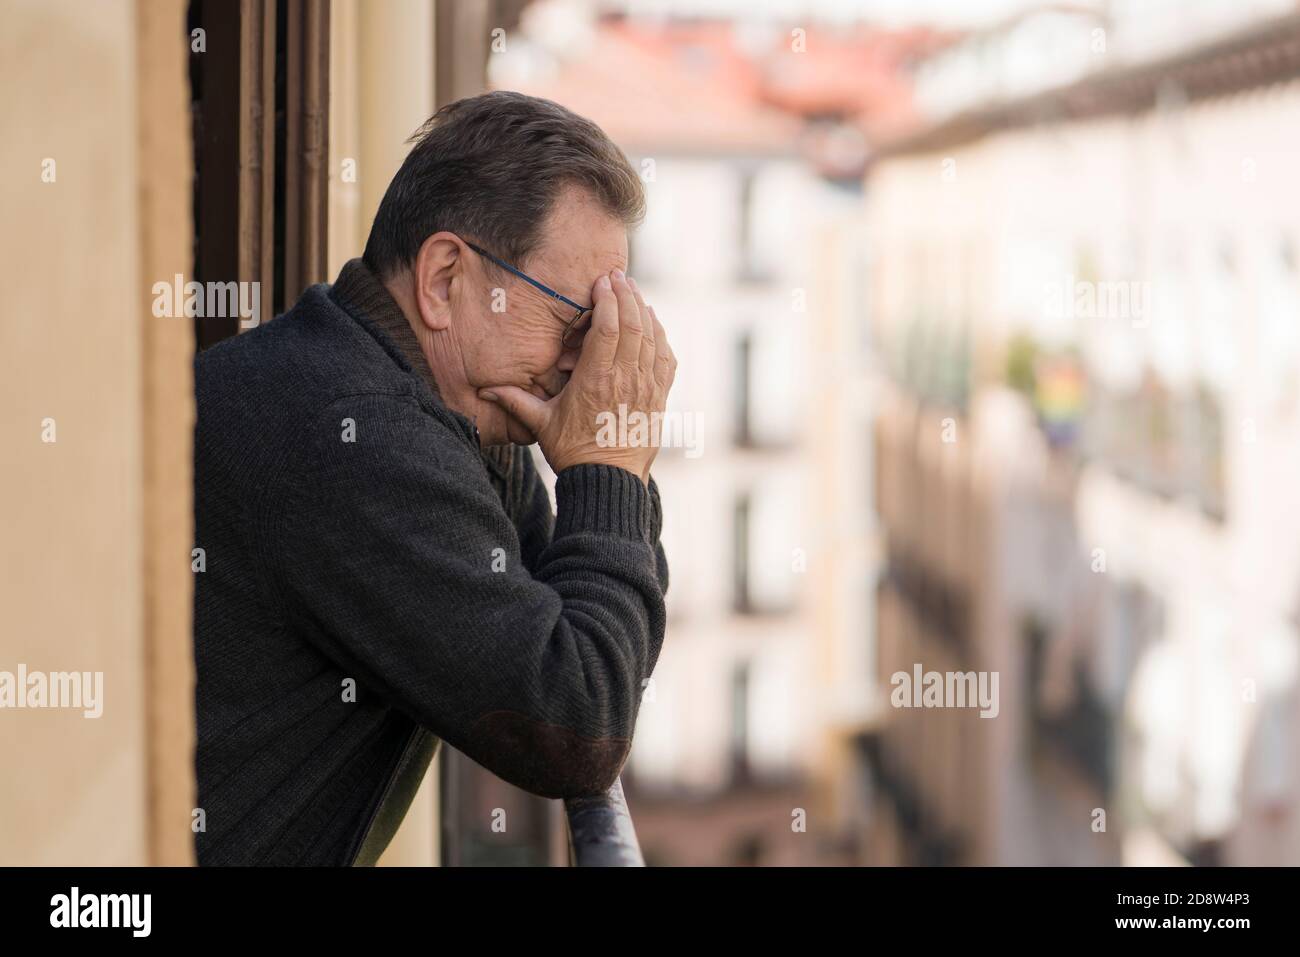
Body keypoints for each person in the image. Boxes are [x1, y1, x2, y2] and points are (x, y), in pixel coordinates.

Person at [192, 91, 675, 866]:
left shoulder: (403, 394)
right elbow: (579, 723)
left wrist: (604, 463)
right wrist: (610, 466)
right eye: (576, 322)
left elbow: (573, 611)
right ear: (446, 279)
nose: (584, 364)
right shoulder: (356, 436)